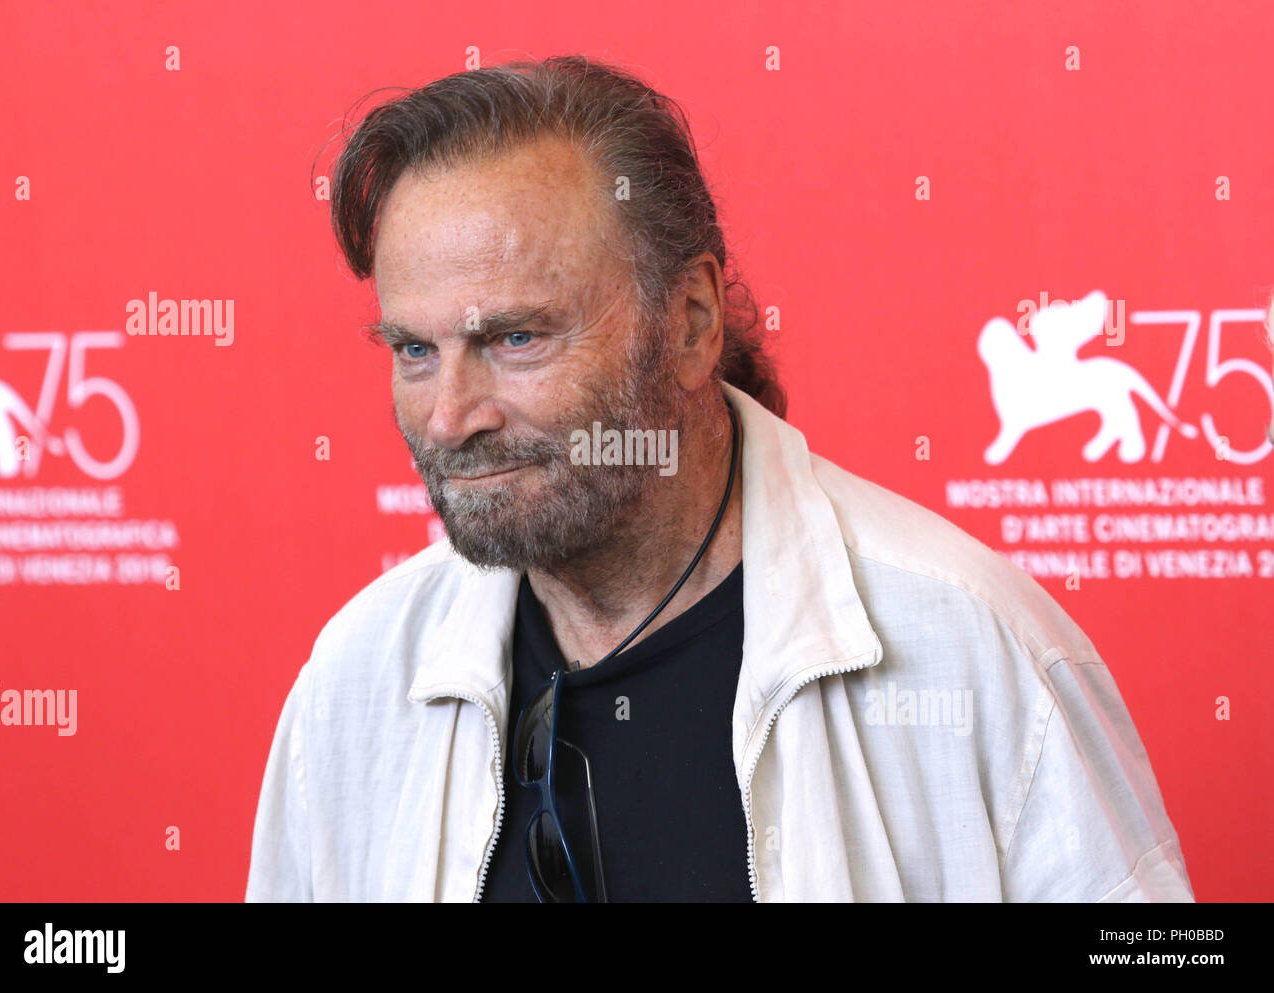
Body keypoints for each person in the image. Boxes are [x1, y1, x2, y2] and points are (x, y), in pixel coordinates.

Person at [245, 56, 1194, 902]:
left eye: (516, 338)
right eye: (415, 349)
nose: (451, 415)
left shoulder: (970, 649)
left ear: (691, 320)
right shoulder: (357, 681)